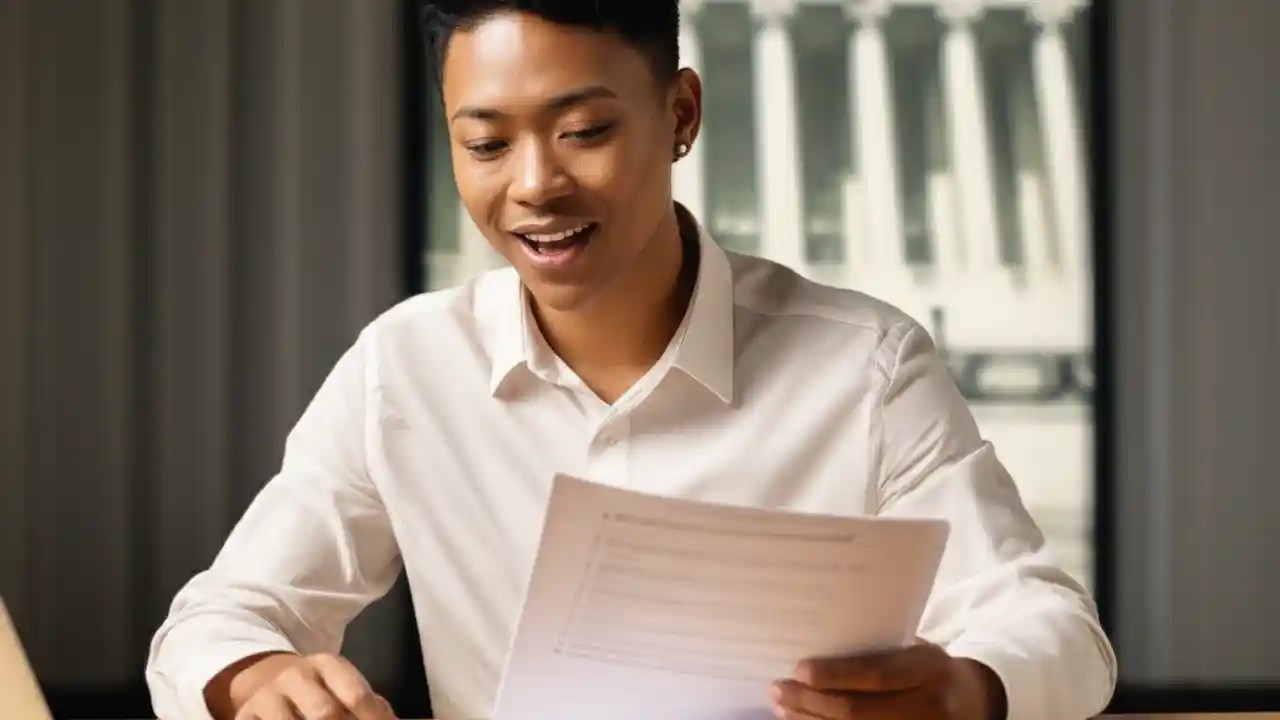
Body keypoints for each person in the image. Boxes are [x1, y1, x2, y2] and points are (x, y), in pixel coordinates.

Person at [145, 1, 1117, 718]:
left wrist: (969, 690)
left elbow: (1053, 629)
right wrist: (258, 678)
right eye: (485, 144)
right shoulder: (403, 370)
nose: (535, 185)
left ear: (680, 115)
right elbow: (217, 620)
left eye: (584, 132)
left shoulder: (863, 367)